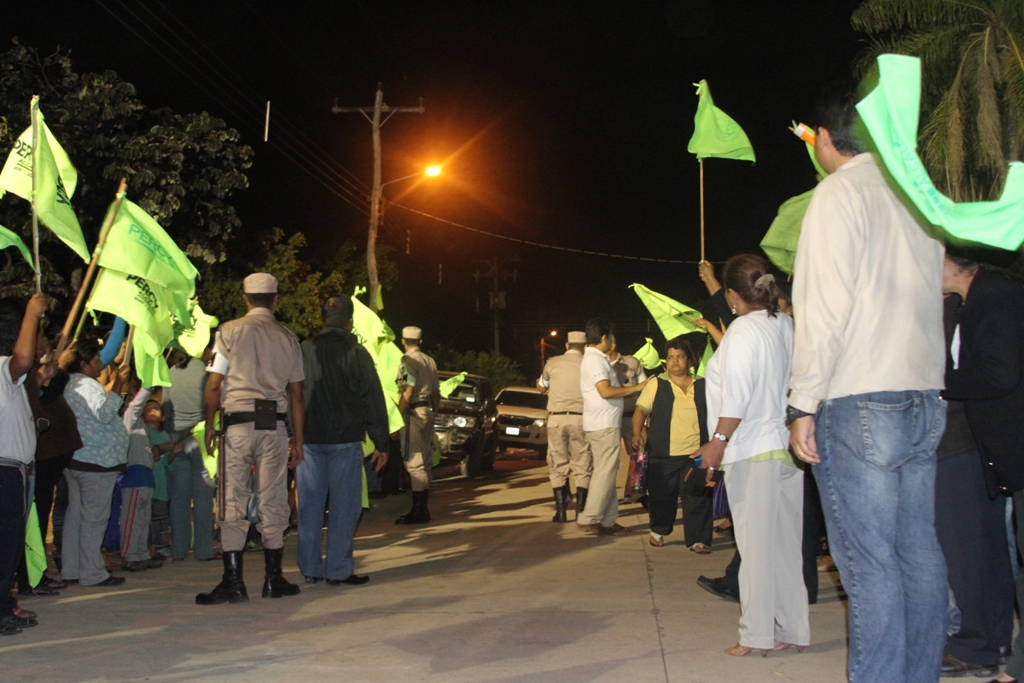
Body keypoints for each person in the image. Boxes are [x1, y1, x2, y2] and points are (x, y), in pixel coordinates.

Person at [788, 84, 947, 682]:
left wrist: (803, 401)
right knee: (919, 552)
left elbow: (824, 307)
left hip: (859, 396)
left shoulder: (837, 195)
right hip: (923, 393)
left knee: (870, 563)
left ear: (825, 139)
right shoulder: (916, 199)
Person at [692, 254, 807, 657]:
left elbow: (736, 396)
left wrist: (717, 441)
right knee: (786, 545)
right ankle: (794, 627)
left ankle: (756, 634)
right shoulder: (785, 325)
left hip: (753, 449)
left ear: (732, 296)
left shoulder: (743, 331)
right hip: (786, 450)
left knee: (756, 548)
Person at [197, 273, 305, 605]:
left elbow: (214, 385)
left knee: (232, 499)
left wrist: (211, 425)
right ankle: (273, 579)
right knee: (273, 499)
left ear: (245, 298)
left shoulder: (228, 332)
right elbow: (297, 395)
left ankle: (233, 582)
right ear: (275, 299)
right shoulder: (288, 338)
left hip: (237, 427)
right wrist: (297, 439)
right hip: (274, 426)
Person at [941, 252, 1023, 681]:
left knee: (981, 551)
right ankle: (1000, 647)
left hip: (989, 441)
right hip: (991, 443)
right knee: (998, 549)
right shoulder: (976, 298)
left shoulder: (996, 297)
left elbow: (998, 373)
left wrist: (935, 382)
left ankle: (989, 647)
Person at [297, 296, 389, 586]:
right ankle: (337, 570)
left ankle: (310, 569)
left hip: (309, 440)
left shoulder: (303, 350)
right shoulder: (356, 351)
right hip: (345, 440)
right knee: (343, 507)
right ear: (350, 320)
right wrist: (382, 442)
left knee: (309, 507)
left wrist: (291, 433)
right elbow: (373, 397)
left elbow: (292, 395)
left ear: (322, 318)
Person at [632, 335, 713, 551]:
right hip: (662, 453)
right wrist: (636, 432)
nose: (675, 361)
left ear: (690, 360)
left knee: (697, 496)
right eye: (670, 357)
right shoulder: (657, 383)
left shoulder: (703, 384)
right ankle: (658, 531)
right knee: (661, 496)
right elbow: (641, 410)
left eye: (680, 356)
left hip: (696, 454)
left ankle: (699, 539)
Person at [62, 338, 131, 588]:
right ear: (84, 364)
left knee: (76, 517)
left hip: (79, 460)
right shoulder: (87, 384)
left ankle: (72, 568)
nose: (100, 364)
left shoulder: (70, 384)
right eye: (96, 360)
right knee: (94, 519)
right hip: (95, 462)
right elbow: (103, 414)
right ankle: (92, 573)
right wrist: (119, 386)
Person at [0, 294, 47, 635]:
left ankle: (4, 604)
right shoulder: (4, 368)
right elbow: (24, 357)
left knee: (9, 544)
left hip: (12, 470)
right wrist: (32, 312)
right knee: (6, 543)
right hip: (5, 471)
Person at [576, 317, 646, 535]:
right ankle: (589, 516)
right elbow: (605, 391)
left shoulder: (597, 358)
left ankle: (608, 519)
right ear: (605, 338)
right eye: (612, 337)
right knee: (605, 472)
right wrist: (637, 388)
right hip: (602, 423)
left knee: (608, 470)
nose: (613, 341)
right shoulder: (595, 360)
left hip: (604, 422)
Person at [162, 347, 217, 561]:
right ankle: (204, 549)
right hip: (200, 438)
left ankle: (179, 548)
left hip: (176, 438)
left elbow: (166, 408)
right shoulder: (207, 371)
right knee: (203, 496)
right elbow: (213, 403)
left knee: (179, 497)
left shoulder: (170, 372)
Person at [119, 391, 180, 571]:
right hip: (135, 475)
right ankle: (129, 555)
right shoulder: (129, 421)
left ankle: (141, 554)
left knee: (143, 520)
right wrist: (146, 388)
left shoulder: (142, 427)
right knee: (132, 519)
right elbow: (134, 407)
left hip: (147, 476)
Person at [537, 330, 593, 523]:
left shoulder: (552, 363)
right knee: (582, 463)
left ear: (567, 346)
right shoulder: (589, 365)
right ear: (585, 347)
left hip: (556, 419)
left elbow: (541, 387)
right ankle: (581, 511)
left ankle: (561, 512)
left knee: (557, 464)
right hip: (581, 419)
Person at [394, 326, 439, 526]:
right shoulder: (430, 361)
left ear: (403, 341)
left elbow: (407, 391)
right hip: (427, 412)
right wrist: (434, 413)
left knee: (414, 462)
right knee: (425, 461)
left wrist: (396, 418)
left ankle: (419, 510)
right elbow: (436, 392)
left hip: (412, 414)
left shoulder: (407, 361)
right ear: (420, 341)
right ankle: (423, 508)